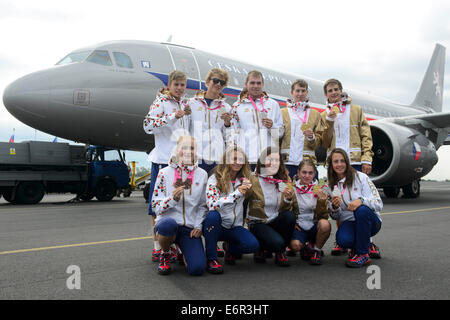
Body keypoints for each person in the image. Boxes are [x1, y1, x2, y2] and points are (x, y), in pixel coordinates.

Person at [320, 78, 377, 256]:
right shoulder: (324, 115)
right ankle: (341, 240)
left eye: (336, 89)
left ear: (341, 91)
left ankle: (368, 242)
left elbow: (366, 135)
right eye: (330, 91)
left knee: (360, 200)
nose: (334, 93)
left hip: (354, 161)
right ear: (326, 95)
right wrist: (329, 121)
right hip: (335, 164)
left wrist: (367, 158)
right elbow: (325, 142)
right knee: (339, 200)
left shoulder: (356, 110)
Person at [143, 70, 191, 262]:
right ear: (169, 85)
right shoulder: (160, 102)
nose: (179, 88)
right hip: (163, 161)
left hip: (181, 163)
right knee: (157, 205)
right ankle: (157, 245)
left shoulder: (184, 104)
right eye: (176, 85)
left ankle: (175, 244)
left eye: (182, 85)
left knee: (178, 202)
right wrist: (172, 115)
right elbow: (147, 125)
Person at [151, 135, 208, 276]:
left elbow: (203, 205)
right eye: (184, 148)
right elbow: (155, 206)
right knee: (167, 225)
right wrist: (172, 199)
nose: (188, 152)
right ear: (177, 150)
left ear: (196, 151)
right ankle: (166, 252)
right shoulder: (164, 173)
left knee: (197, 269)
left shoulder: (202, 174)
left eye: (192, 148)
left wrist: (198, 226)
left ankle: (182, 249)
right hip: (169, 224)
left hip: (188, 228)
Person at [202, 146, 260, 274]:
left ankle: (230, 248)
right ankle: (211, 258)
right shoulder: (214, 178)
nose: (237, 162)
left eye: (240, 159)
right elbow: (212, 205)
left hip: (235, 226)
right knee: (212, 216)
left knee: (253, 245)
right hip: (217, 225)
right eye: (233, 158)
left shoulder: (245, 179)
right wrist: (236, 194)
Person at [327, 148, 383, 268]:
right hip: (349, 222)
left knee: (361, 210)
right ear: (331, 165)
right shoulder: (330, 186)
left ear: (347, 162)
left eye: (342, 161)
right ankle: (360, 246)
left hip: (370, 222)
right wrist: (335, 207)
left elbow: (379, 203)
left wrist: (361, 200)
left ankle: (363, 254)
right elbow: (335, 216)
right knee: (343, 241)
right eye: (335, 161)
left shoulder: (361, 177)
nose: (339, 164)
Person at [246, 147, 296, 266]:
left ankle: (280, 252)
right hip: (258, 223)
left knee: (289, 216)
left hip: (275, 221)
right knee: (276, 243)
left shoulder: (284, 179)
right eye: (270, 160)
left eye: (277, 160)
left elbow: (286, 210)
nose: (273, 163)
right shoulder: (252, 178)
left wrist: (287, 199)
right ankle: (261, 247)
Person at [229, 70, 284, 166]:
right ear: (246, 84)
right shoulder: (237, 106)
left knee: (266, 181)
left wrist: (272, 126)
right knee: (247, 182)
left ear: (262, 84)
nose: (255, 86)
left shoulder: (273, 104)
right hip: (246, 159)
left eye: (258, 83)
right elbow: (233, 133)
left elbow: (280, 133)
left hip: (268, 159)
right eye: (252, 83)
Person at [188, 68, 232, 175]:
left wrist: (227, 124)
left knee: (214, 190)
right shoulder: (192, 103)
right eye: (215, 80)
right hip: (196, 157)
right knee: (196, 191)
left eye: (222, 82)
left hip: (217, 158)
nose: (218, 84)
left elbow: (229, 136)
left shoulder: (226, 107)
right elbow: (185, 129)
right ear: (208, 82)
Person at [289, 159, 331, 265]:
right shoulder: (291, 188)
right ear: (298, 173)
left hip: (314, 226)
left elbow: (324, 216)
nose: (307, 176)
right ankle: (306, 247)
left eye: (310, 173)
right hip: (299, 226)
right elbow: (285, 210)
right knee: (295, 246)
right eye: (304, 172)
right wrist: (292, 223)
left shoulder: (320, 188)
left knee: (325, 224)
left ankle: (316, 250)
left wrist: (322, 201)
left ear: (314, 174)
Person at [281, 79, 323, 179]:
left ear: (307, 92)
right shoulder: (282, 113)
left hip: (307, 165)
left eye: (303, 91)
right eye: (297, 91)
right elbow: (275, 139)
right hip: (286, 163)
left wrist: (312, 137)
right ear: (292, 92)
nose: (300, 94)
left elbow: (319, 142)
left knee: (311, 194)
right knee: (285, 193)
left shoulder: (315, 114)